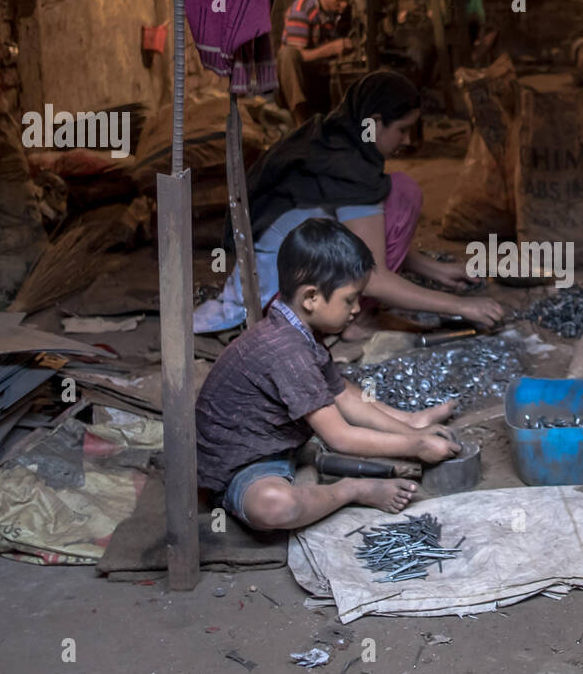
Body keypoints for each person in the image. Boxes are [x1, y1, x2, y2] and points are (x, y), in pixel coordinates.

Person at [194, 69, 506, 336]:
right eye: (403, 130)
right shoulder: (351, 169)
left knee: (392, 193)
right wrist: (462, 306)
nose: (408, 141)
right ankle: (354, 323)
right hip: (284, 302)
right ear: (375, 123)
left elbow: (361, 235)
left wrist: (438, 271)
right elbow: (371, 278)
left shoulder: (329, 137)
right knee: (403, 192)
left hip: (263, 284)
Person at [196, 218, 462, 530]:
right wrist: (415, 447)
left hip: (275, 445)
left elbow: (343, 394)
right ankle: (351, 489)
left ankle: (410, 423)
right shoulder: (286, 351)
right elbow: (340, 438)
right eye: (350, 299)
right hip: (240, 466)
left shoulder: (297, 328)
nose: (357, 309)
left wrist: (412, 431)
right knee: (275, 507)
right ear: (310, 298)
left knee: (346, 392)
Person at [277, 0, 356, 125]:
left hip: (326, 78)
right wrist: (332, 48)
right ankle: (300, 122)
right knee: (287, 55)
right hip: (301, 80)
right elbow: (298, 55)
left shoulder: (345, 10)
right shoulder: (301, 10)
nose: (345, 4)